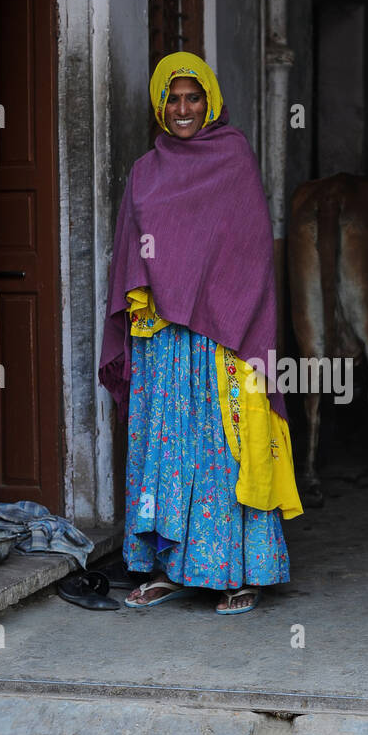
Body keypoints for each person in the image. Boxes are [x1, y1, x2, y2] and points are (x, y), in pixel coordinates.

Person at [98, 52, 302, 615]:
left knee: (225, 447)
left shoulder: (232, 157)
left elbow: (251, 251)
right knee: (165, 449)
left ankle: (240, 570)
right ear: (160, 104)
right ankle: (169, 569)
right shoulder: (146, 171)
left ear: (209, 101)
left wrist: (231, 315)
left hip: (222, 339)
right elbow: (130, 259)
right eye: (173, 98)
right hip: (163, 340)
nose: (183, 108)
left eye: (193, 97)